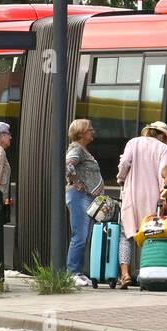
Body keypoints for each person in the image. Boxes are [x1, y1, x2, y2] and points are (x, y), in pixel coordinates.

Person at [116, 121, 167, 288]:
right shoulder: (164, 149)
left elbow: (124, 163)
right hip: (152, 197)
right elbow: (165, 174)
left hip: (131, 195)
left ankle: (125, 274)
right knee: (149, 235)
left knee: (125, 235)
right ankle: (144, 273)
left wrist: (121, 178)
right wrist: (165, 198)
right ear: (162, 135)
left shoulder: (133, 142)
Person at [65, 118, 103, 288]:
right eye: (89, 129)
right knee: (79, 236)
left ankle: (78, 272)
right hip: (79, 197)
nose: (92, 132)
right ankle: (72, 273)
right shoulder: (76, 148)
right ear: (81, 133)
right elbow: (67, 165)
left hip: (85, 197)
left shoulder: (82, 149)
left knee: (83, 236)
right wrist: (75, 181)